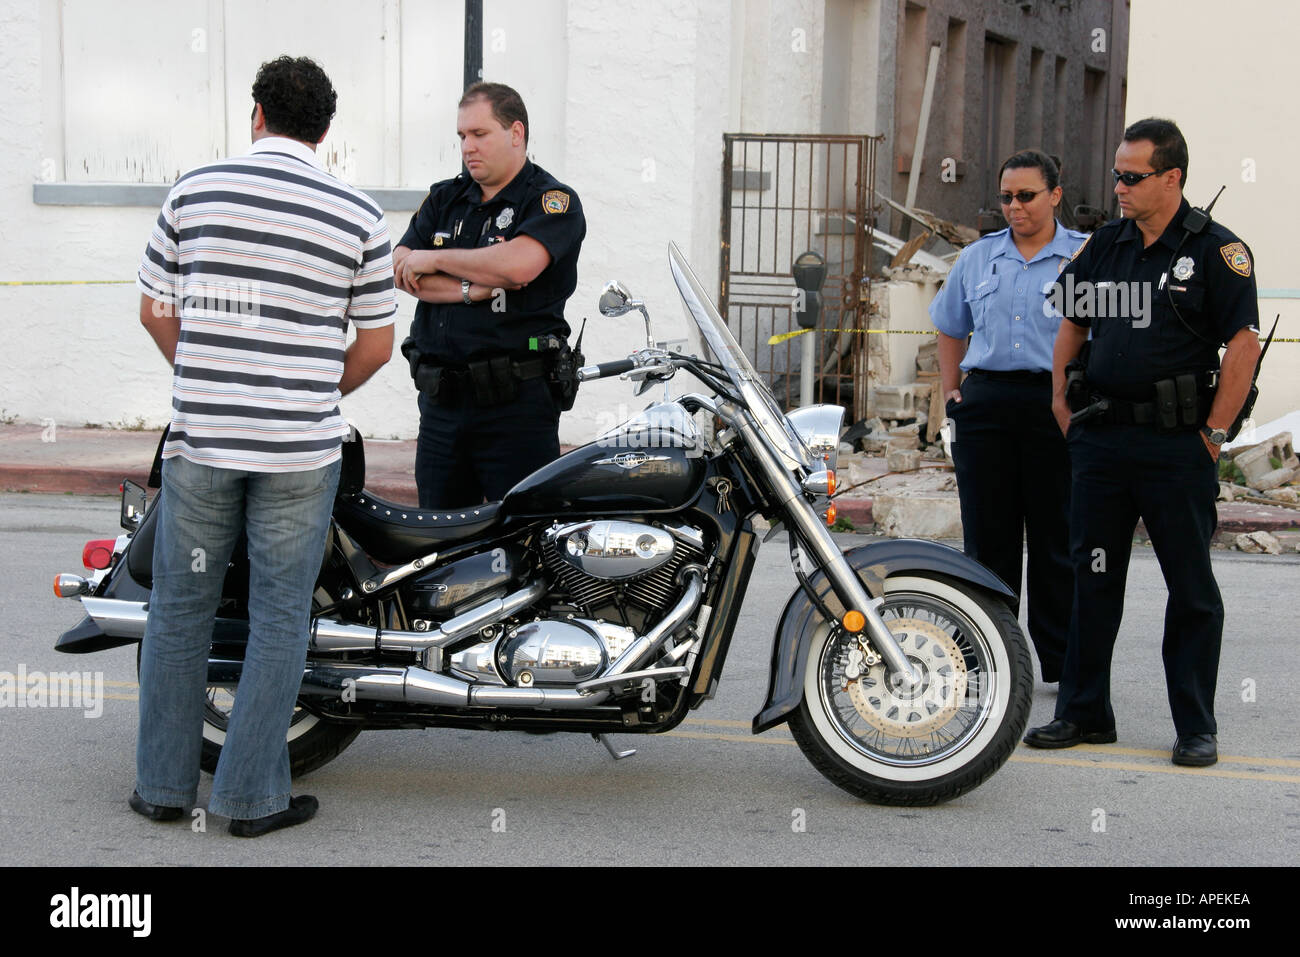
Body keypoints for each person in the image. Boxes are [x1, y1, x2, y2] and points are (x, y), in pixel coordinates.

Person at [133, 55, 396, 835]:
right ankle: (250, 799)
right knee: (281, 617)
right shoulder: (358, 214)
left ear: (257, 114)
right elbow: (378, 345)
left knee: (180, 609)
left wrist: (208, 380)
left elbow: (154, 310)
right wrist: (310, 395)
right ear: (324, 131)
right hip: (298, 451)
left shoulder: (194, 190)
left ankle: (161, 789)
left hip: (203, 440)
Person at [1024, 118, 1260, 767]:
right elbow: (1072, 319)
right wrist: (1057, 398)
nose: (1120, 186)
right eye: (1117, 175)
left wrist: (1214, 433)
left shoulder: (1218, 251)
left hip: (1177, 447)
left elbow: (1243, 345)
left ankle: (1195, 724)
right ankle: (1083, 710)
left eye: (1133, 177)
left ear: (1172, 178)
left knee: (1190, 588)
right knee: (1092, 578)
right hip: (1103, 440)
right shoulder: (1108, 244)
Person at [929, 150, 1086, 684]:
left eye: (1026, 195)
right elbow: (951, 325)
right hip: (988, 406)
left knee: (1056, 539)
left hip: (1054, 407)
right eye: (1006, 196)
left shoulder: (1084, 258)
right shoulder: (978, 258)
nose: (1014, 206)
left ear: (1055, 195)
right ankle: (988, 660)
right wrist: (953, 393)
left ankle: (1062, 667)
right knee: (988, 541)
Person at [393, 81, 586, 509]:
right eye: (462, 136)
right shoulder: (445, 197)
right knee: (439, 543)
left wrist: (437, 259)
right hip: (442, 404)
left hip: (515, 407)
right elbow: (403, 270)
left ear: (516, 133)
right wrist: (472, 288)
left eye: (479, 134)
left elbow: (517, 267)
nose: (467, 146)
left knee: (521, 540)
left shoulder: (552, 201)